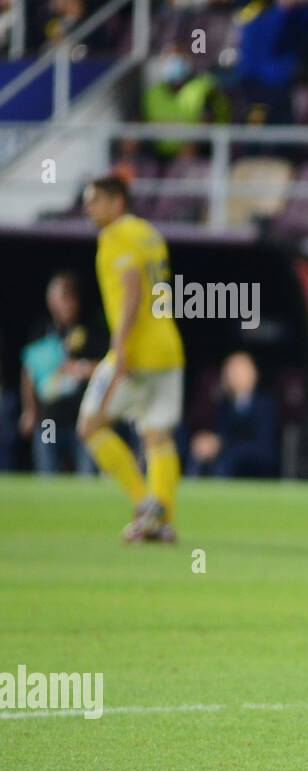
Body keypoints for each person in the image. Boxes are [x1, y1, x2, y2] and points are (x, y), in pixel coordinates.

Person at [76, 175, 185, 543]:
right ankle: (160, 518)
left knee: (90, 426)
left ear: (117, 201)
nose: (88, 208)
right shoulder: (149, 232)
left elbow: (132, 287)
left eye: (95, 201)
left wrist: (120, 345)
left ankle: (144, 505)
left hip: (135, 351)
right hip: (167, 347)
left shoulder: (115, 236)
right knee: (156, 435)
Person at [19, 272, 104, 474]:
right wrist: (29, 410)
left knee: (86, 475)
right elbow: (29, 372)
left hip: (81, 418)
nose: (63, 304)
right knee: (48, 472)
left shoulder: (91, 331)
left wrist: (81, 368)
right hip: (49, 419)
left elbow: (108, 367)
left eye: (67, 298)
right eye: (58, 297)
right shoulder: (41, 330)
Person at [188, 352, 279, 478]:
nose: (234, 375)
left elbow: (264, 448)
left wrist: (221, 445)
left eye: (240, 370)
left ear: (254, 373)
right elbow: (220, 434)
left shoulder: (266, 405)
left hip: (256, 465)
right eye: (231, 371)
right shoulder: (223, 404)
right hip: (226, 460)